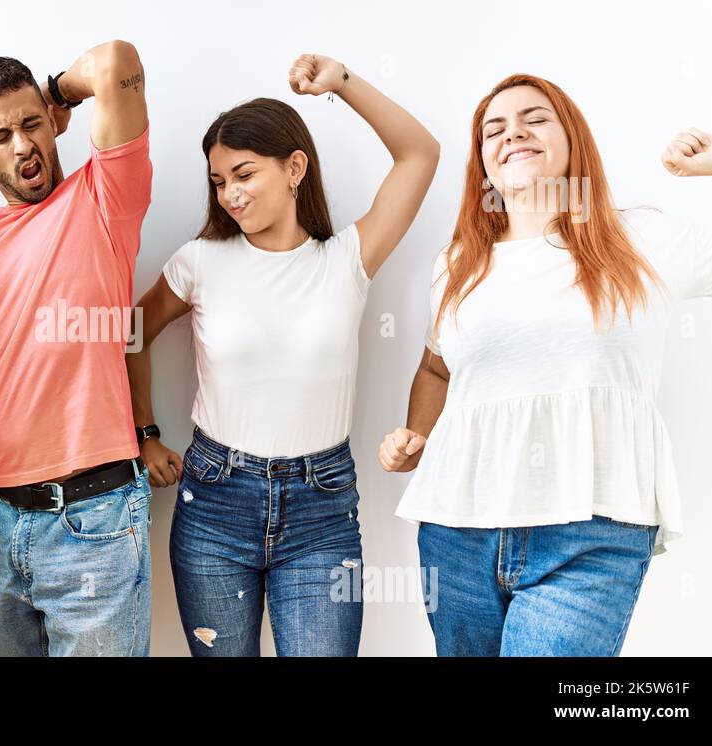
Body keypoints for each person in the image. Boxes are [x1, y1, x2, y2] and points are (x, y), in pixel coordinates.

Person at [378, 73, 712, 656]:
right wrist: (416, 435)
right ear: (484, 165)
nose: (512, 133)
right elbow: (437, 369)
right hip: (457, 531)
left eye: (534, 119)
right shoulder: (457, 264)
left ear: (571, 138)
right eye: (493, 129)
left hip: (591, 530)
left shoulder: (638, 239)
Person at [127, 54, 439, 656]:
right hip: (213, 501)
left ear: (294, 166)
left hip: (321, 510)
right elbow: (131, 331)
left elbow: (420, 155)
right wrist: (144, 431)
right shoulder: (200, 261)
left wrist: (342, 83)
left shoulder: (348, 257)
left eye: (244, 174)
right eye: (219, 182)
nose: (231, 195)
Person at [0, 40, 153, 656]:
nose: (23, 145)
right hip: (0, 522)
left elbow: (114, 62)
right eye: (0, 135)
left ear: (55, 126)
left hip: (95, 518)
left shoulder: (105, 198)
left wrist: (55, 93)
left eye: (32, 125)